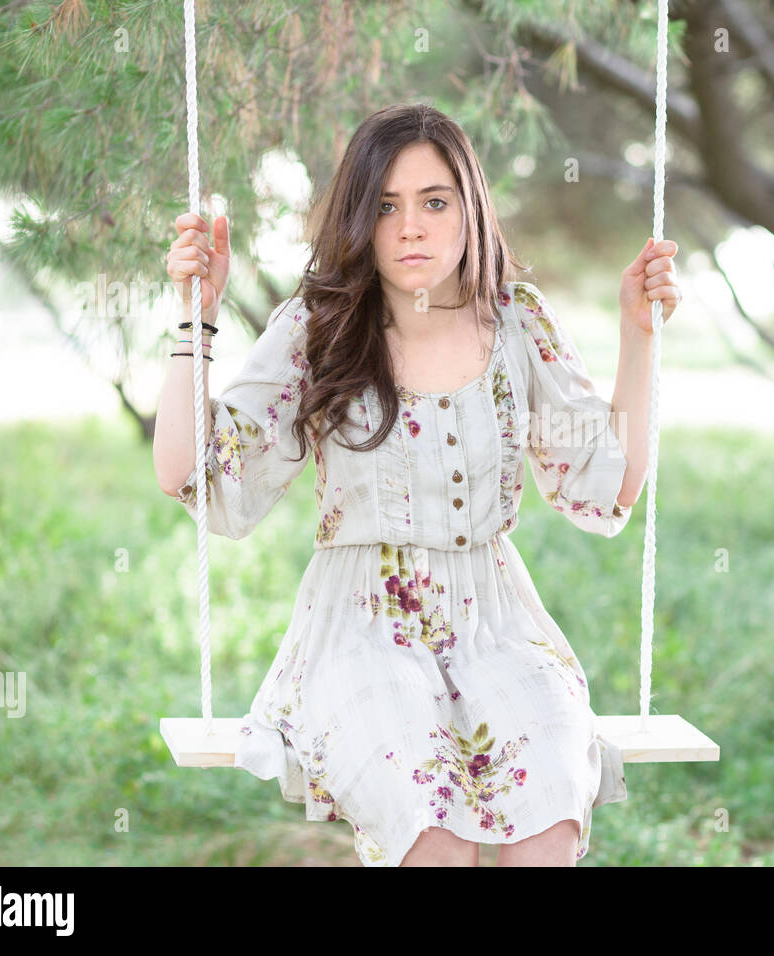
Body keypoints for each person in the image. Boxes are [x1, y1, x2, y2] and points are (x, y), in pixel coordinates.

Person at [153, 103, 680, 867]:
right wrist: (194, 321)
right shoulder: (320, 326)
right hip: (360, 628)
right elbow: (191, 475)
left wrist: (640, 335)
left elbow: (608, 486)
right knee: (434, 837)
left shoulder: (518, 323)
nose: (411, 228)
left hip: (497, 624)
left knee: (551, 820)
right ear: (361, 220)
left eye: (435, 202)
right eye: (387, 206)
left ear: (471, 209)